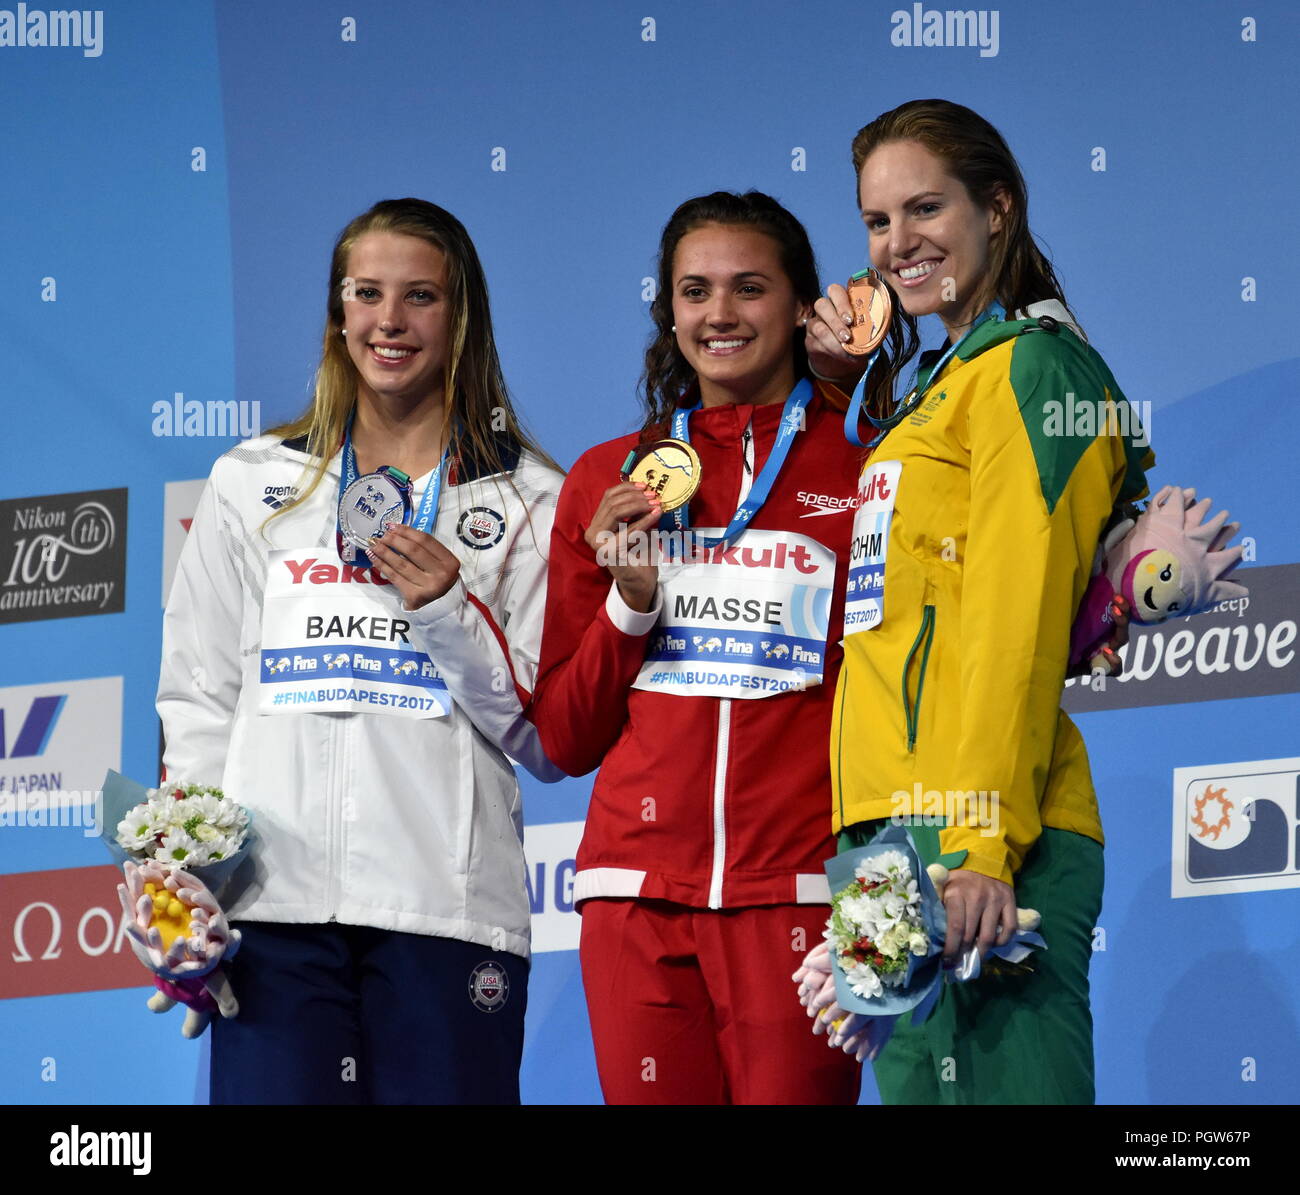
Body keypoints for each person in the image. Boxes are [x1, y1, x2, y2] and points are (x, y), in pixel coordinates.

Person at [157, 198, 563, 1105]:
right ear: (338, 312)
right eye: (368, 293)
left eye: (420, 296)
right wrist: (188, 881)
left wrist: (447, 609)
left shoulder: (532, 498)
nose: (391, 320)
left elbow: (544, 733)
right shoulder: (252, 481)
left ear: (460, 317)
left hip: (443, 909)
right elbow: (199, 696)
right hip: (274, 912)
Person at [808, 99, 1152, 1104]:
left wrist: (978, 844)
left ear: (996, 207)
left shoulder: (1033, 372)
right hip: (879, 841)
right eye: (876, 222)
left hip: (978, 837)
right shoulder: (927, 388)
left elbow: (1016, 620)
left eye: (925, 209)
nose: (897, 243)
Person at [529, 191, 865, 1105]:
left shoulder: (867, 463)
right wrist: (629, 604)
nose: (719, 314)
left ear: (802, 306)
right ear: (667, 310)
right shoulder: (609, 478)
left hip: (802, 892)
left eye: (749, 287)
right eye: (695, 290)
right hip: (634, 897)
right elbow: (563, 736)